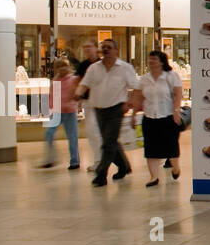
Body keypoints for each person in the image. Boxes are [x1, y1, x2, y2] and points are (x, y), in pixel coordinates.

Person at [75, 39, 140, 186]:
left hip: (116, 109)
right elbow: (84, 84)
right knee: (109, 142)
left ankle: (101, 174)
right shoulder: (94, 68)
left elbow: (136, 87)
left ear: (116, 50)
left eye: (109, 47)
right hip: (98, 110)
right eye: (103, 47)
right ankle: (124, 166)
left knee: (108, 143)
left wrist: (130, 103)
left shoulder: (125, 68)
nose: (105, 50)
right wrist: (78, 94)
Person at [137, 50, 183, 186]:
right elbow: (139, 96)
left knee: (171, 146)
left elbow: (178, 94)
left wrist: (176, 111)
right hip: (149, 117)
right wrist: (134, 113)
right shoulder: (145, 78)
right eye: (150, 59)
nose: (151, 62)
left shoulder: (171, 76)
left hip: (167, 116)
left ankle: (175, 167)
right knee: (151, 148)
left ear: (161, 61)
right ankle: (154, 177)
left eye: (154, 59)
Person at [40, 59, 80, 170]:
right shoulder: (55, 81)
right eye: (59, 67)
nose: (61, 69)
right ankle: (50, 159)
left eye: (63, 66)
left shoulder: (73, 79)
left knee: (72, 138)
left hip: (70, 112)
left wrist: (74, 104)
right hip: (56, 112)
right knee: (48, 134)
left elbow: (78, 93)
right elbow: (51, 97)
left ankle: (75, 161)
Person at [75, 41, 102, 171]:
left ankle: (103, 161)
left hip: (103, 102)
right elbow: (80, 82)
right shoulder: (83, 65)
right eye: (85, 47)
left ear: (96, 48)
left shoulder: (103, 64)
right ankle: (98, 160)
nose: (87, 49)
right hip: (89, 102)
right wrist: (78, 99)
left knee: (100, 133)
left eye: (89, 46)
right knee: (92, 132)